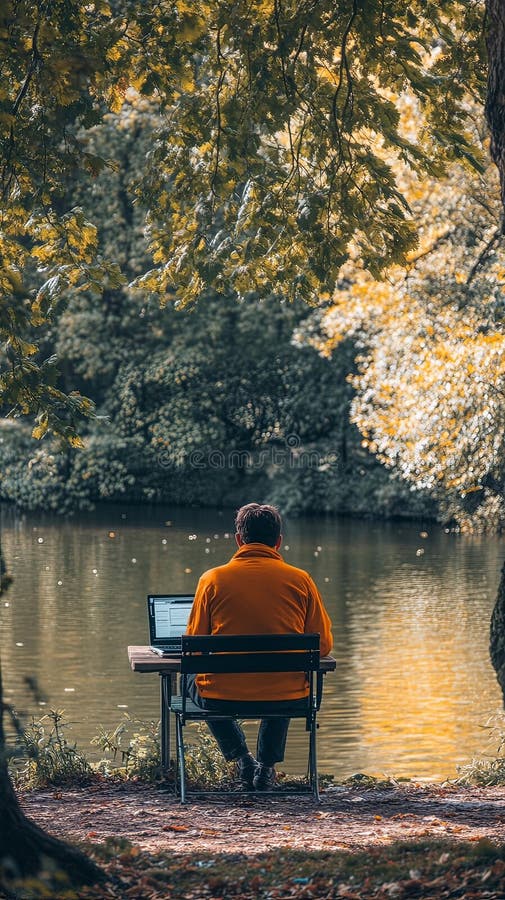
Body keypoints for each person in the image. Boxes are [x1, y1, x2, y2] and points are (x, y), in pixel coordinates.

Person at [185, 502, 333, 790]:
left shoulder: (212, 580)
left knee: (191, 677)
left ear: (239, 539)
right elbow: (323, 645)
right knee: (284, 682)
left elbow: (194, 648)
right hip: (287, 696)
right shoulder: (301, 581)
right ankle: (266, 768)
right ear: (278, 542)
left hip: (221, 696)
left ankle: (243, 759)